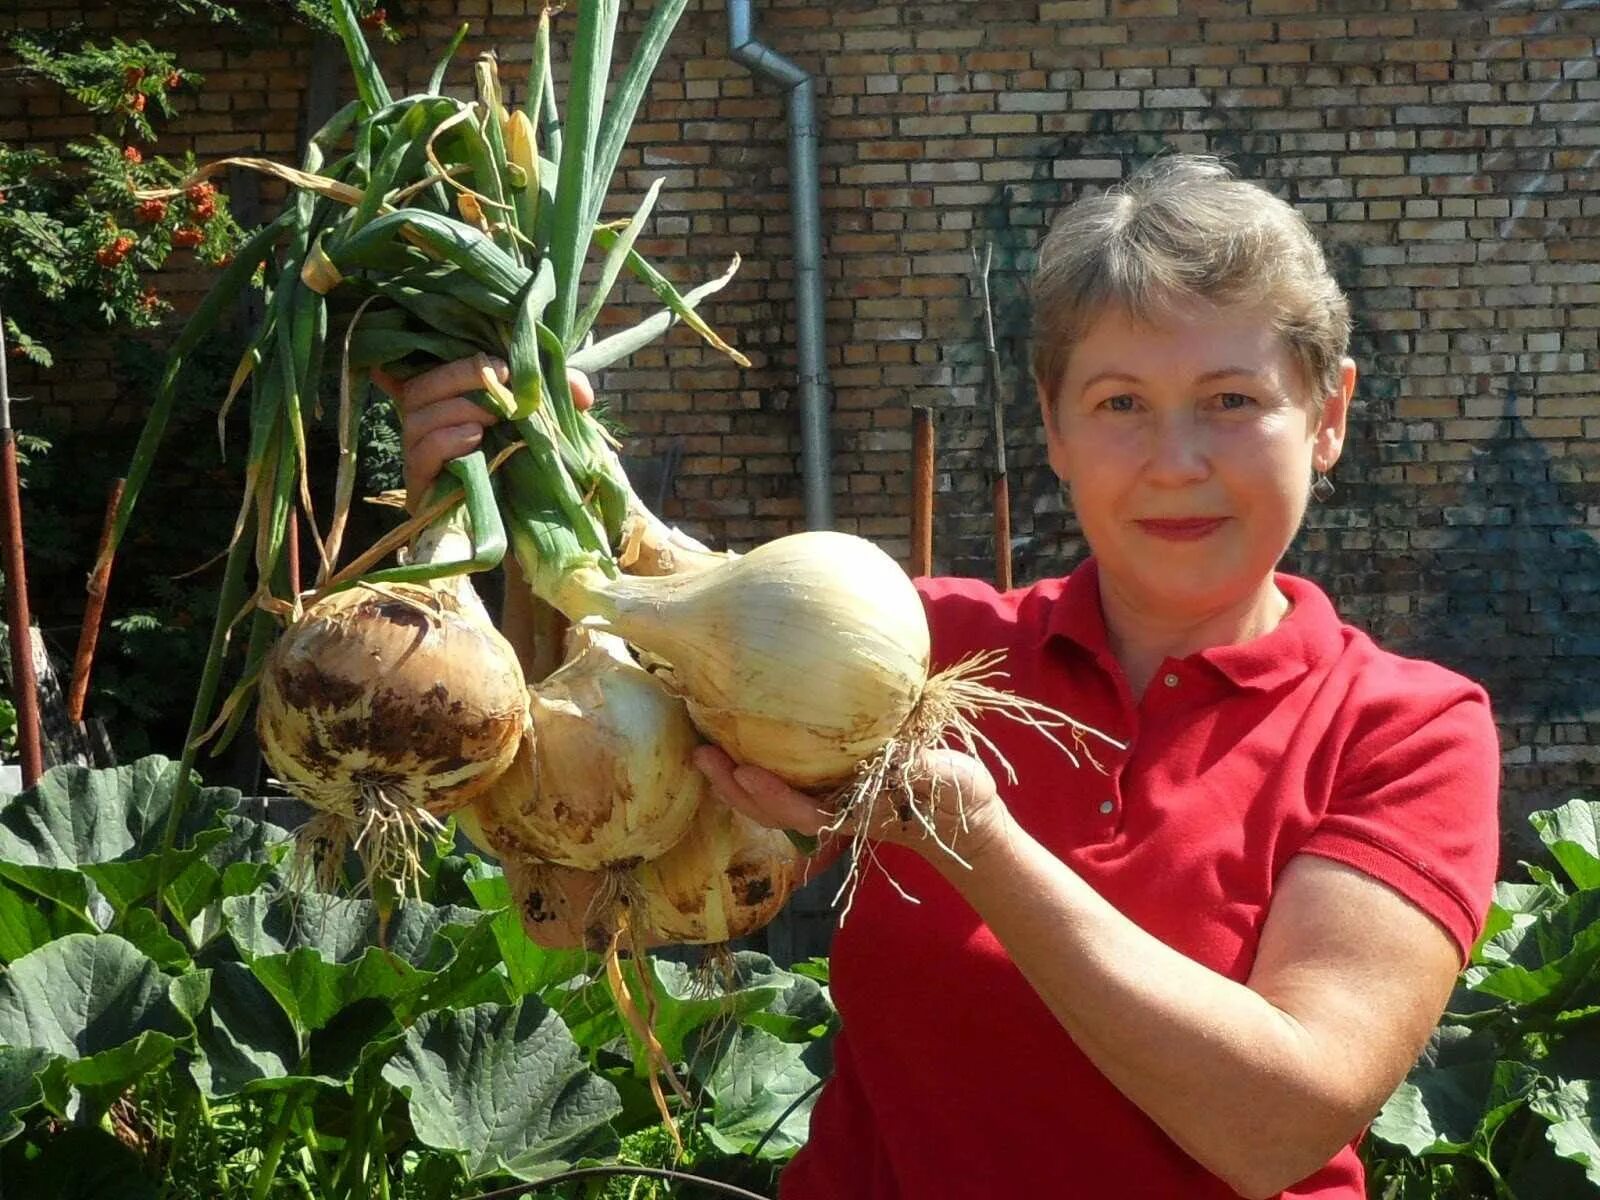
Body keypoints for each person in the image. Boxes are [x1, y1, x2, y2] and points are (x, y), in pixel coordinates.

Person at [385, 155, 1500, 1199]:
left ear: (1327, 417)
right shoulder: (923, 647)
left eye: (1231, 401)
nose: (1176, 462)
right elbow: (579, 905)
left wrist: (981, 847)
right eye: (1119, 403)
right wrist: (501, 516)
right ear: (1054, 429)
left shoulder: (1405, 730)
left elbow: (1277, 1128)